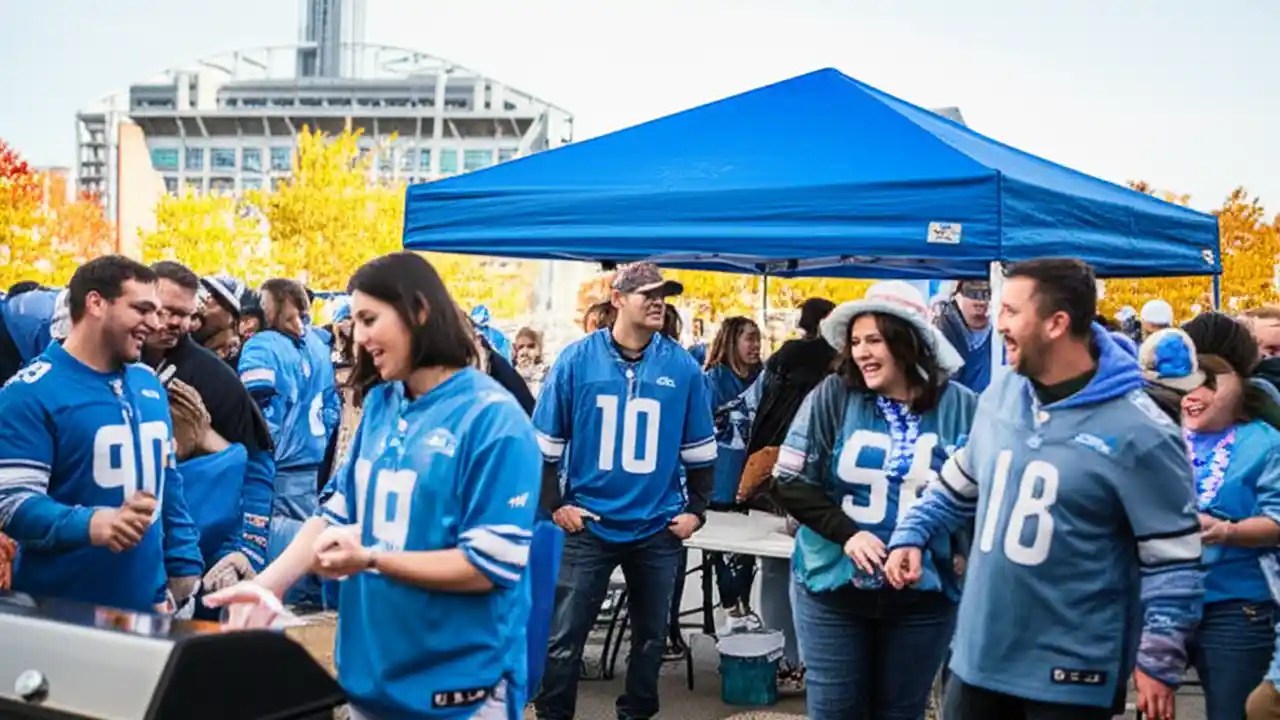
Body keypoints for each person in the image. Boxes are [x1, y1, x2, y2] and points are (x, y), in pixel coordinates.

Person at [207, 252, 540, 720]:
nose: (357, 334)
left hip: (460, 689)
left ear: (418, 312)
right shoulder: (384, 403)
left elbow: (486, 565)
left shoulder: (493, 418)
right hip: (374, 684)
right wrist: (266, 586)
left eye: (369, 318)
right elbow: (333, 514)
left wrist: (370, 558)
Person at [885, 258, 1203, 720]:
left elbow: (1174, 561)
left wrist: (1159, 657)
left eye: (1012, 311)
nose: (998, 324)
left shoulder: (1143, 431)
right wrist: (912, 533)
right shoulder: (1001, 393)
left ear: (1057, 323)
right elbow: (960, 482)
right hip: (978, 657)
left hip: (1070, 673)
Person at [774, 281, 975, 719]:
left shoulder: (963, 407)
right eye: (856, 342)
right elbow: (788, 481)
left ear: (909, 343)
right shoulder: (834, 395)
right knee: (836, 712)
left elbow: (981, 492)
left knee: (901, 713)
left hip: (924, 594)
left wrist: (964, 549)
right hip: (833, 587)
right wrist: (849, 535)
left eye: (874, 340)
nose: (861, 352)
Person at [533, 263, 716, 720]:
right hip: (591, 522)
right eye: (646, 294)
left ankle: (636, 714)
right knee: (564, 639)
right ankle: (553, 715)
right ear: (618, 299)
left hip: (656, 525)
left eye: (663, 295)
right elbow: (542, 450)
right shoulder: (577, 360)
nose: (658, 302)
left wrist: (696, 510)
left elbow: (700, 453)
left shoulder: (683, 366)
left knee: (652, 638)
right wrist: (556, 506)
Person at [0, 256, 203, 613]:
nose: (155, 324)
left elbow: (168, 483)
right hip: (60, 614)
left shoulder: (148, 383)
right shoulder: (28, 393)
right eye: (142, 309)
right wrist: (92, 522)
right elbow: (11, 504)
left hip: (147, 610)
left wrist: (183, 565)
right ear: (96, 303)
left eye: (157, 311)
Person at [140, 261, 276, 598]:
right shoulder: (117, 362)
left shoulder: (213, 377)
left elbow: (258, 460)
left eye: (184, 313)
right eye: (165, 310)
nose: (176, 322)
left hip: (198, 538)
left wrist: (246, 548)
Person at [1177, 353, 1280, 720]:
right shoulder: (1163, 436)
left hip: (1237, 605)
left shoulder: (1266, 444)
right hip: (1165, 604)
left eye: (1207, 385)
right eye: (1185, 385)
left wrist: (1229, 532)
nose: (1191, 395)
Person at [239, 278, 329, 606]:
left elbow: (259, 409)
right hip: (312, 464)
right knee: (308, 550)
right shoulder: (319, 345)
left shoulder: (263, 345)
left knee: (281, 569)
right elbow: (331, 409)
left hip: (280, 469)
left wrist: (264, 450)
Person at [702, 317, 764, 629]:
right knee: (724, 553)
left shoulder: (766, 378)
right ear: (731, 341)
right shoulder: (713, 380)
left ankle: (743, 605)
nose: (755, 346)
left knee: (748, 554)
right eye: (749, 339)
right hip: (721, 480)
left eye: (758, 339)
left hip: (752, 481)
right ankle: (731, 608)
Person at [934, 279, 993, 392]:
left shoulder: (1002, 335)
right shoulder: (943, 332)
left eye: (987, 293)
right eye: (971, 292)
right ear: (956, 295)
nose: (981, 301)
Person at [513, 327, 550, 396]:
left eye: (531, 346)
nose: (525, 351)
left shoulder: (549, 376)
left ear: (538, 350)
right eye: (521, 347)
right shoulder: (510, 376)